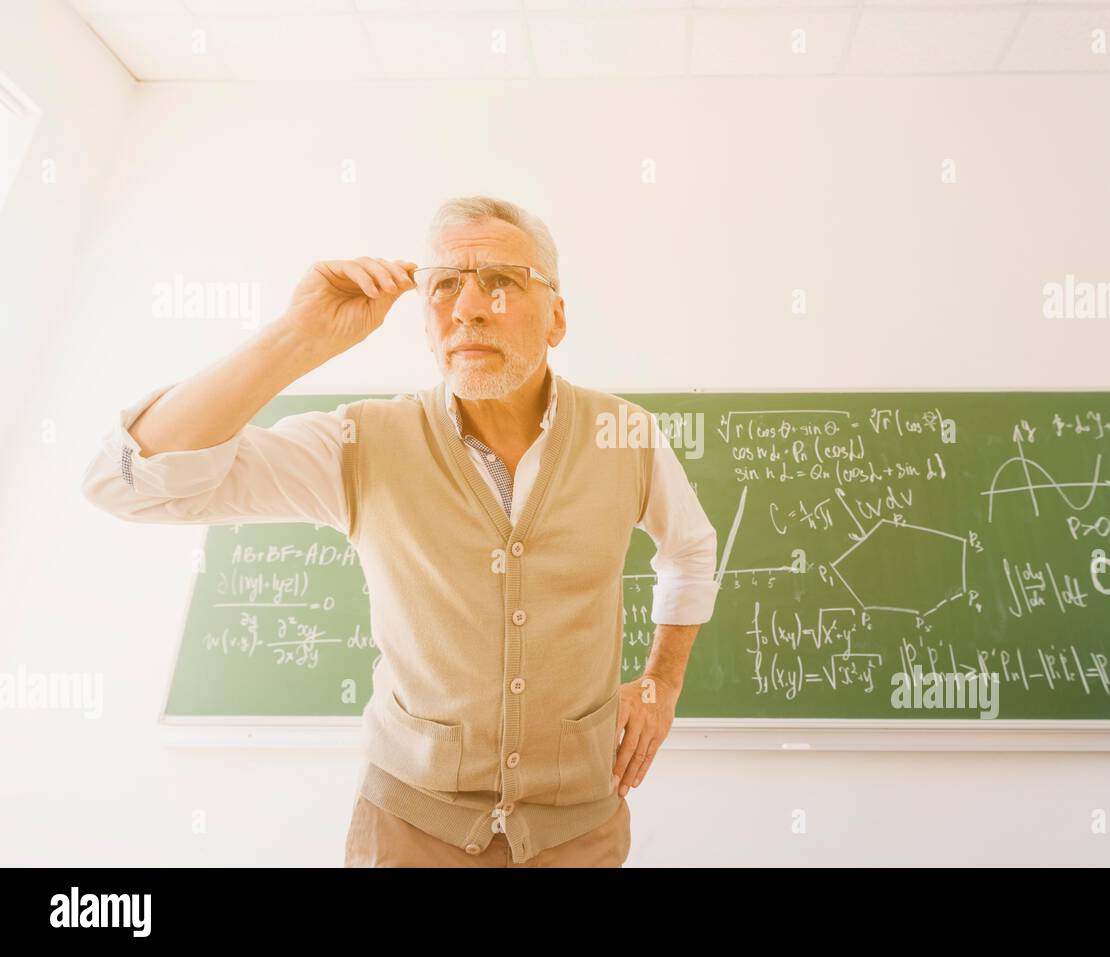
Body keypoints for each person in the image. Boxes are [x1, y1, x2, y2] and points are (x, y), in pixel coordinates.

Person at [81, 196, 720, 867]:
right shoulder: (361, 442)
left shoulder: (627, 436)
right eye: (444, 285)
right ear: (425, 319)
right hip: (408, 832)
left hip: (580, 831)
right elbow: (123, 480)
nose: (470, 306)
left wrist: (660, 685)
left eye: (501, 281)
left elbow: (691, 548)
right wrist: (300, 337)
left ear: (557, 315)